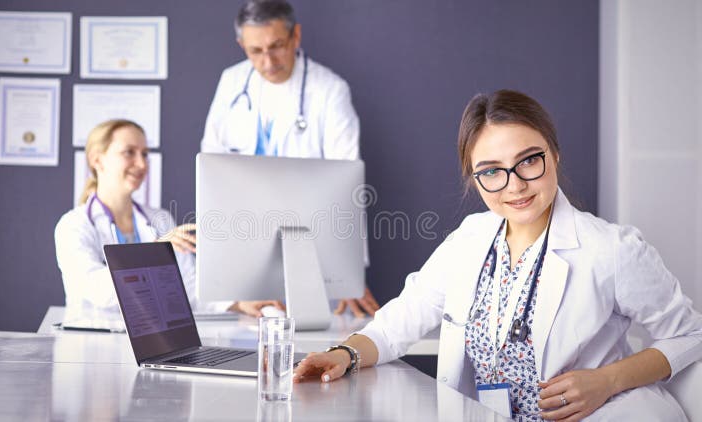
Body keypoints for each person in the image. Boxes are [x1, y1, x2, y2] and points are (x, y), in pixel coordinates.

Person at [293, 90, 702, 421]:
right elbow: (398, 322)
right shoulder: (469, 240)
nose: (514, 185)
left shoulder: (611, 249)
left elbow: (689, 334)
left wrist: (608, 381)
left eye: (529, 161)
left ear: (554, 154)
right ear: (474, 178)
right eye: (491, 170)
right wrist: (342, 355)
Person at [200, 0, 379, 316]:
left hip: (310, 254)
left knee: (309, 351)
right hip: (243, 248)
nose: (268, 61)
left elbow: (346, 186)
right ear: (242, 45)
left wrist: (346, 275)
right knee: (242, 349)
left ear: (295, 36)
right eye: (255, 51)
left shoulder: (329, 91)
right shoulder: (231, 83)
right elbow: (211, 174)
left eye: (277, 46)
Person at [54, 119, 280, 317]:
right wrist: (153, 252)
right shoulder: (74, 226)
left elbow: (184, 288)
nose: (142, 164)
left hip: (151, 338)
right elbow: (98, 291)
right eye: (129, 152)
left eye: (144, 154)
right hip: (92, 342)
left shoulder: (159, 218)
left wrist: (237, 303)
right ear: (97, 160)